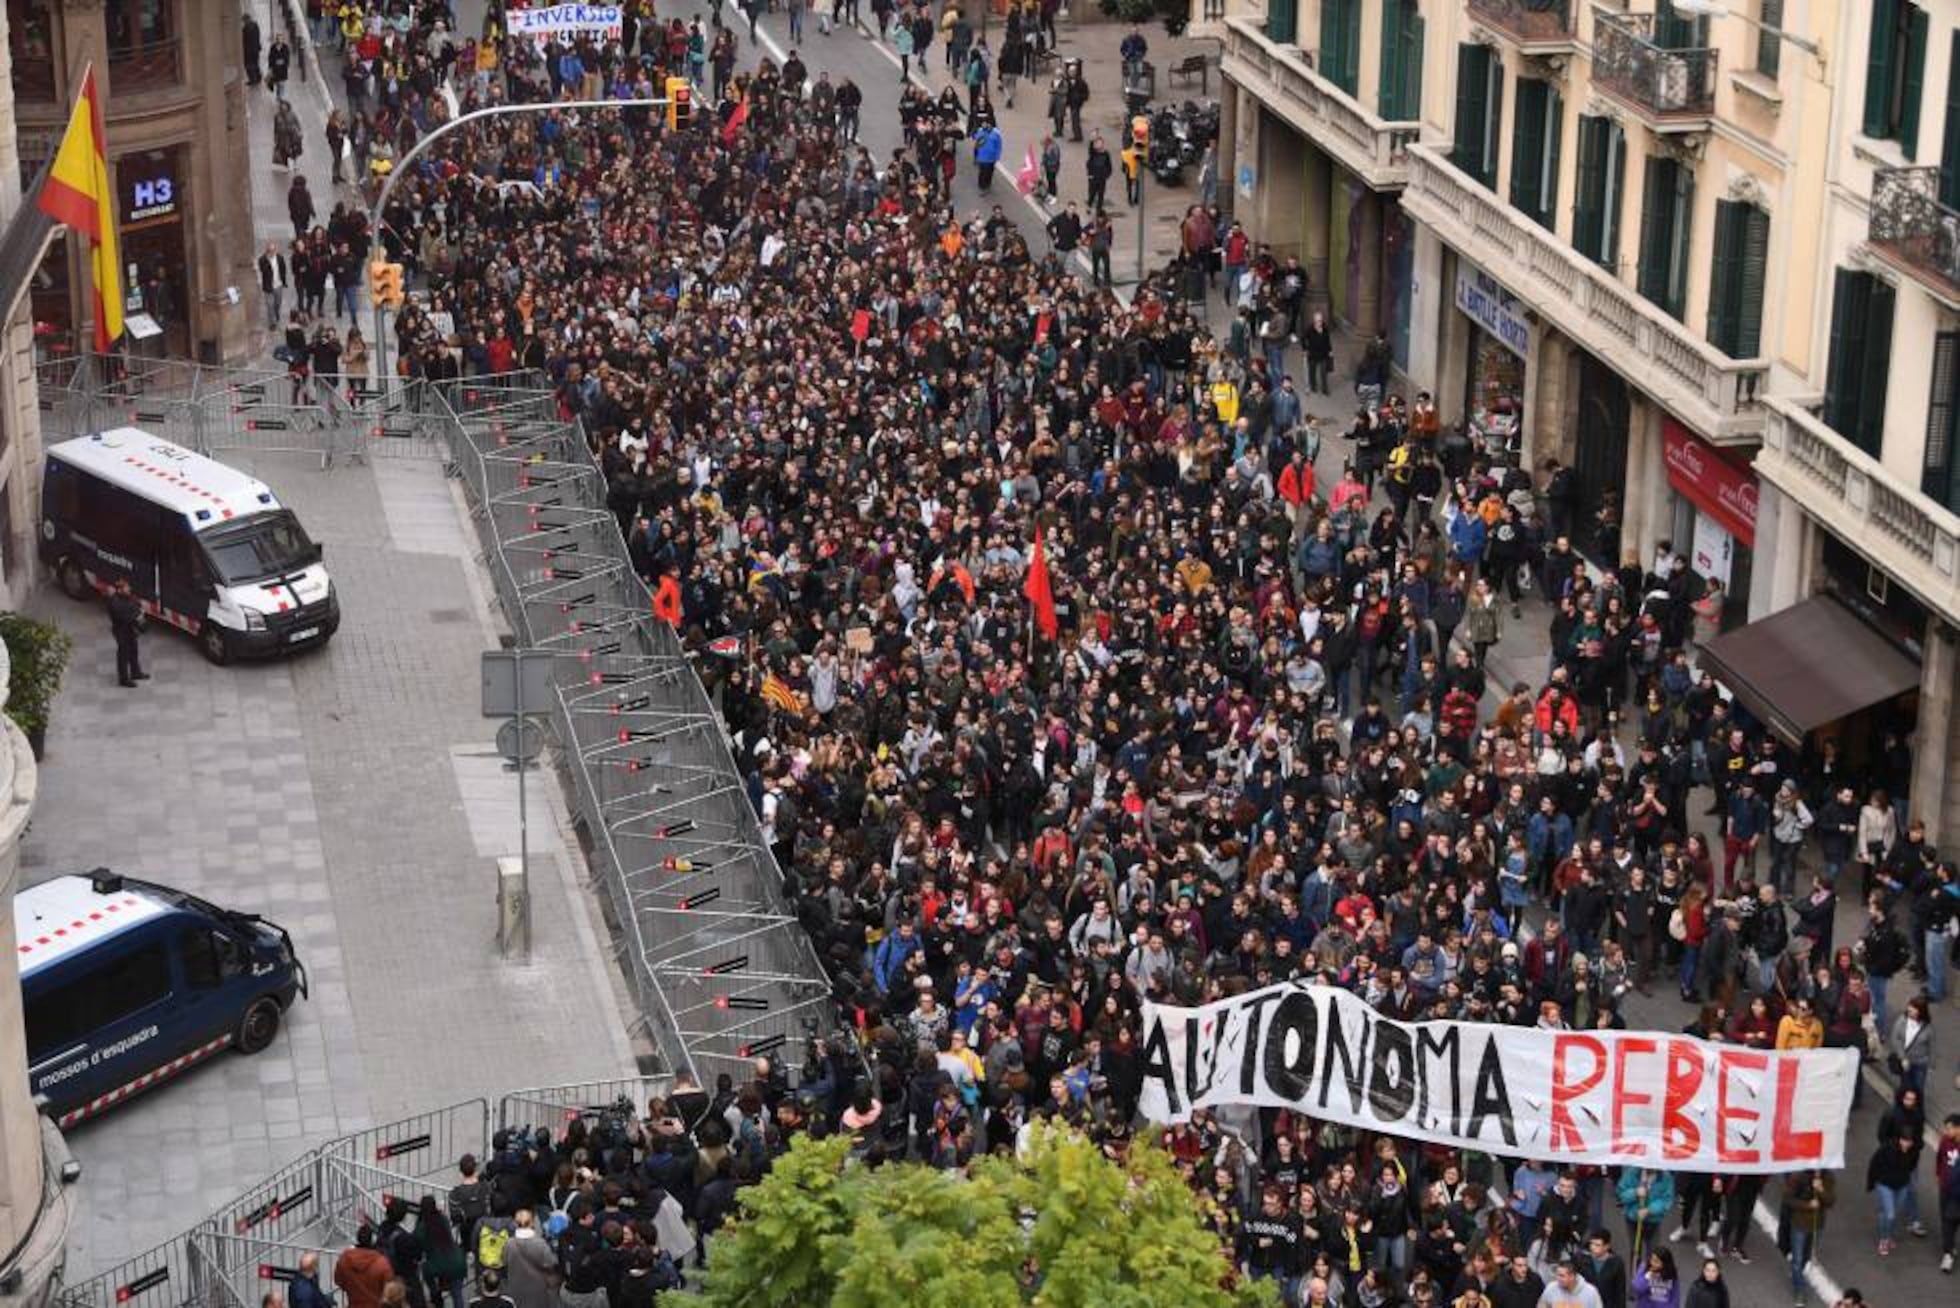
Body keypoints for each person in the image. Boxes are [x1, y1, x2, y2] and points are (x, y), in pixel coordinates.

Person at [1781, 1170, 1833, 1307]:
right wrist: (1807, 1205)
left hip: (1817, 1225)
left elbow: (1831, 1201)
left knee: (1807, 1256)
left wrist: (1821, 1190)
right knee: (1797, 1259)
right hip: (1799, 1224)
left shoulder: (1828, 1176)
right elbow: (1787, 1199)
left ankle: (1796, 1274)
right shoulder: (1797, 1175)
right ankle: (1799, 1290)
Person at [333, 1226, 392, 1308]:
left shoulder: (344, 1259)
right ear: (372, 1241)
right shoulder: (382, 1263)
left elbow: (339, 1281)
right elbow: (390, 1291)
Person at [107, 580, 147, 688]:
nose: (129, 589)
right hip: (121, 630)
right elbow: (124, 615)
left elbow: (134, 604)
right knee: (123, 654)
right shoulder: (114, 602)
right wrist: (138, 614)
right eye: (126, 587)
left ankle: (136, 672)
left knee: (134, 650)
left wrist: (139, 606)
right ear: (119, 590)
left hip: (130, 629)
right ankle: (124, 679)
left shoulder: (127, 597)